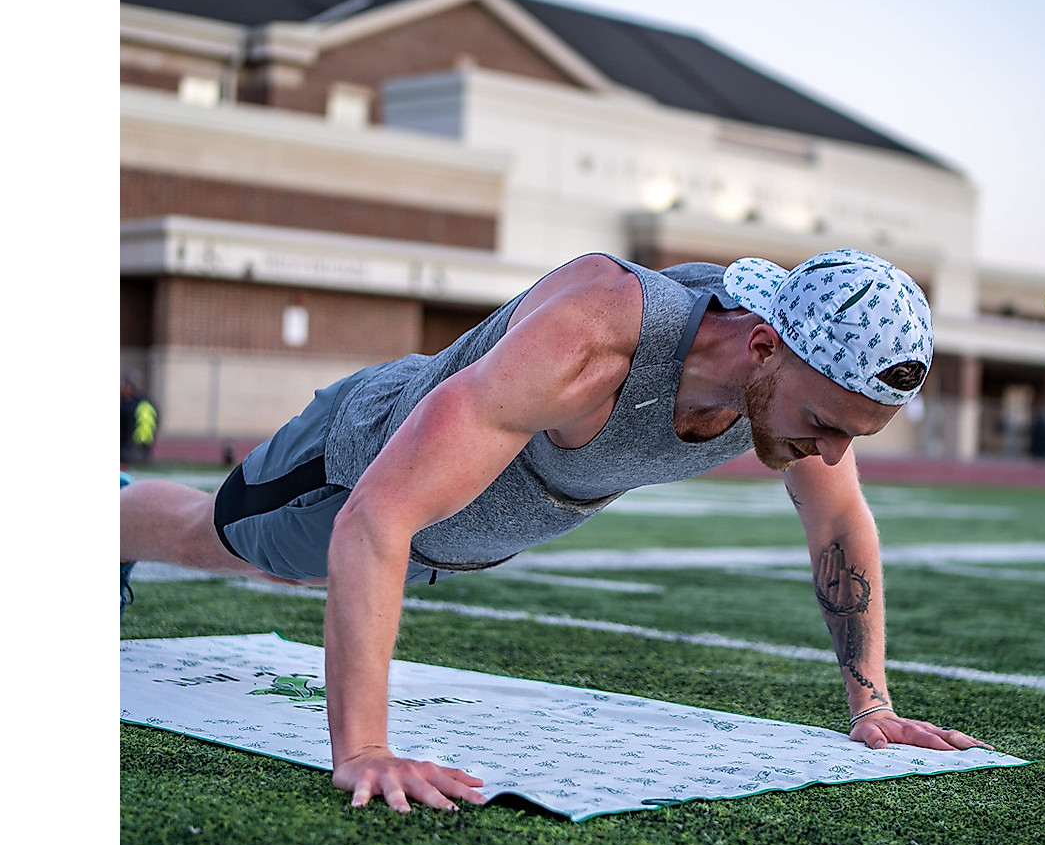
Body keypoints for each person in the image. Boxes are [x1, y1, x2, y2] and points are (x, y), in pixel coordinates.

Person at [120, 249, 991, 814]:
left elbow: (839, 520)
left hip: (454, 535)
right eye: (825, 422)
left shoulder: (790, 390)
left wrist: (871, 704)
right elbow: (376, 515)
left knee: (306, 576)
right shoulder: (596, 340)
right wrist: (366, 749)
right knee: (215, 541)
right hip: (350, 472)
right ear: (764, 345)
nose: (831, 451)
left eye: (854, 435)